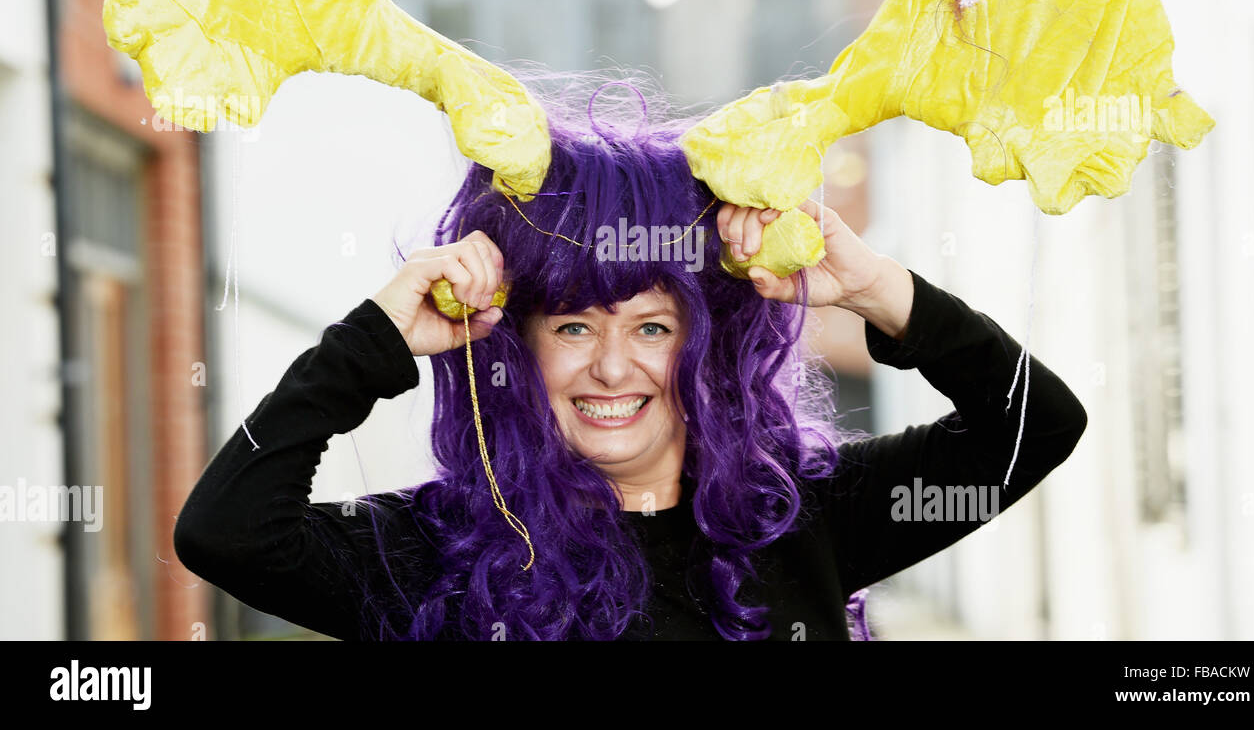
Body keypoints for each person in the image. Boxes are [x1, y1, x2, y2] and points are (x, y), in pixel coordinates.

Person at [173, 75, 1088, 641]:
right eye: (572, 327)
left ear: (702, 346)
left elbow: (1037, 424)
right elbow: (225, 531)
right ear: (519, 347)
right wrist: (372, 339)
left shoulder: (803, 517)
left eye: (651, 326)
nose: (613, 368)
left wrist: (878, 288)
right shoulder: (443, 551)